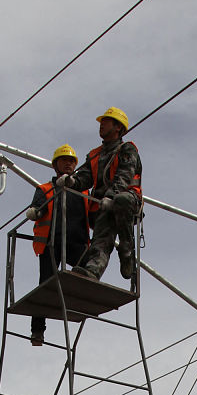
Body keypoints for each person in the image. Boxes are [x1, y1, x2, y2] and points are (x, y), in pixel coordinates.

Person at [60, 107, 141, 283]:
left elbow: (124, 176)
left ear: (118, 127)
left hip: (127, 200)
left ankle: (126, 249)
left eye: (106, 121)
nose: (101, 125)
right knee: (101, 240)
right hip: (104, 207)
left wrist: (111, 197)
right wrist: (72, 182)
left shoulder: (127, 149)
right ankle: (93, 271)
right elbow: (85, 177)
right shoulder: (95, 154)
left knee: (120, 200)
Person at [25, 144, 91, 346]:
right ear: (56, 165)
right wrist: (35, 211)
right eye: (64, 160)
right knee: (45, 284)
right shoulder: (45, 189)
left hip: (77, 243)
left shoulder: (84, 192)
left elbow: (95, 214)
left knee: (89, 271)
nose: (69, 164)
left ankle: (77, 306)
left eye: (71, 161)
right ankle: (38, 330)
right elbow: (38, 207)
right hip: (51, 243)